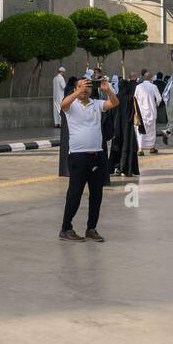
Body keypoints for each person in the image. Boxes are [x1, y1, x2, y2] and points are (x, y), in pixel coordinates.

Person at [59, 74, 119, 241]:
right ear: (75, 89)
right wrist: (77, 93)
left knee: (96, 195)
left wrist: (108, 90)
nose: (85, 89)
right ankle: (66, 228)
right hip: (78, 157)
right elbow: (63, 104)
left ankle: (91, 228)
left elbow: (114, 103)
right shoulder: (71, 106)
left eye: (87, 86)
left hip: (97, 155)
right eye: (81, 86)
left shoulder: (97, 104)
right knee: (75, 193)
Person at [109, 72, 142, 178]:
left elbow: (110, 113)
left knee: (117, 146)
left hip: (116, 127)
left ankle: (117, 167)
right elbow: (137, 113)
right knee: (128, 146)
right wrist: (141, 128)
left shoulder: (115, 98)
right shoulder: (131, 98)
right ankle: (127, 169)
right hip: (128, 128)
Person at [134, 71, 161, 156]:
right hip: (151, 111)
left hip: (141, 112)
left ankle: (140, 148)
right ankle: (151, 148)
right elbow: (159, 99)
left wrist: (136, 110)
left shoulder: (138, 87)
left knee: (140, 130)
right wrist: (155, 104)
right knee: (151, 130)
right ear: (151, 78)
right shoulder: (154, 87)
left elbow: (135, 99)